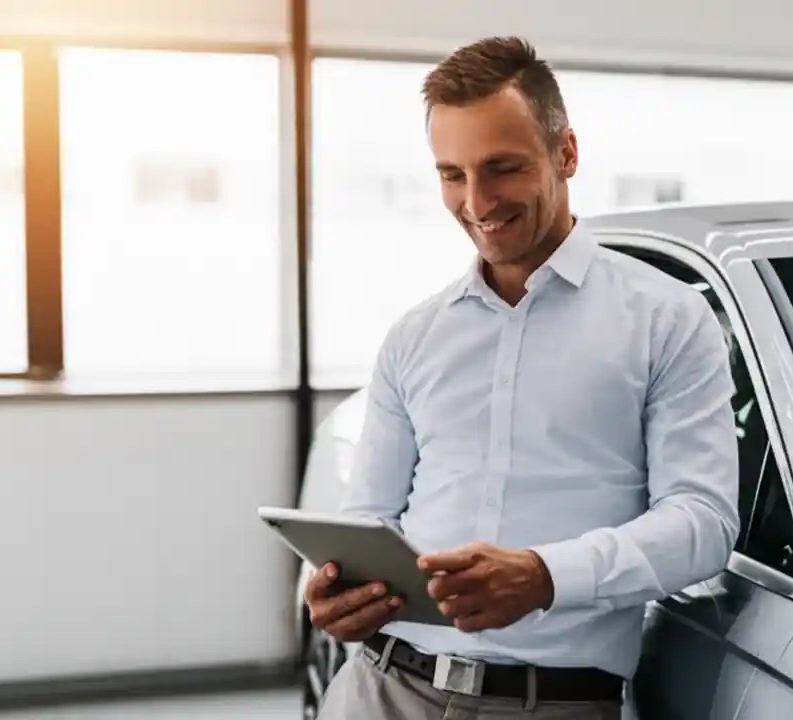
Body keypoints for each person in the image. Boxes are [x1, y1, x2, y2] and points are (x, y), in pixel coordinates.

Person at [307, 36, 740, 719]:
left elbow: (703, 524)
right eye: (452, 174)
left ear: (566, 152)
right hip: (381, 691)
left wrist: (545, 578)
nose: (476, 202)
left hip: (549, 705)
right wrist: (333, 586)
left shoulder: (668, 321)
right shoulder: (415, 336)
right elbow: (368, 516)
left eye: (501, 168)